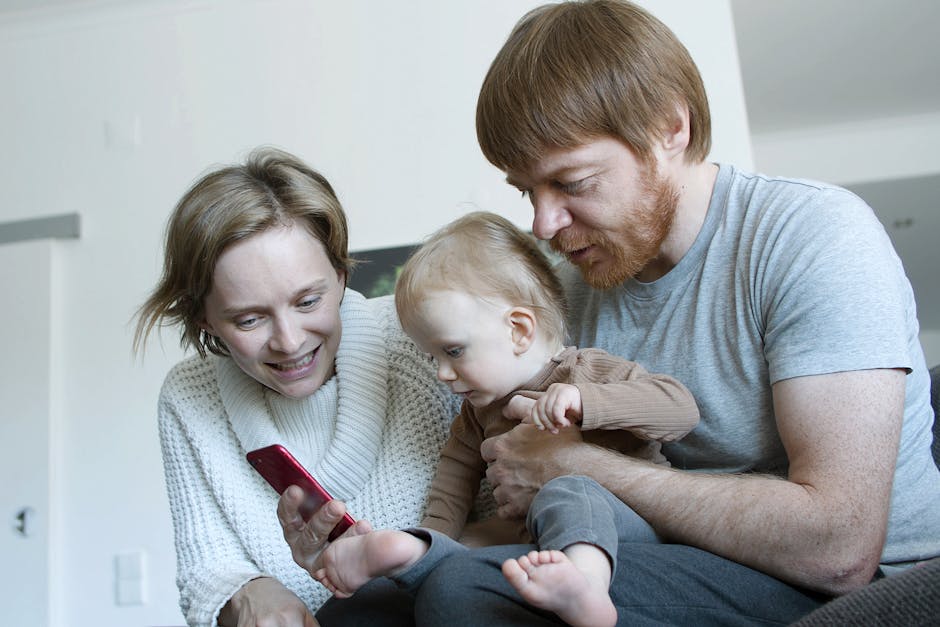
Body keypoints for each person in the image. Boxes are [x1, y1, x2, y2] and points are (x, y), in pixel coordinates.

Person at [296, 1, 940, 625]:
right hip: (662, 555)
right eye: (528, 191)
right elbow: (464, 377)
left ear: (669, 128)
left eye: (572, 184)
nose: (544, 223)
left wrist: (578, 465)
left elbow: (838, 547)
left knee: (472, 594)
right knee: (368, 607)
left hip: (857, 591)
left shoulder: (812, 237)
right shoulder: (567, 282)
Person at [307, 211, 699, 627]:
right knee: (471, 539)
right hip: (533, 539)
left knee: (570, 492)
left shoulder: (584, 372)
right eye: (432, 357)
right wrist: (438, 533)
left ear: (518, 330)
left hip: (634, 533)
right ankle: (410, 554)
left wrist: (586, 402)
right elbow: (452, 481)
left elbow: (680, 409)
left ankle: (586, 584)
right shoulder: (477, 413)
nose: (441, 373)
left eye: (453, 351)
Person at [134, 146, 462, 627]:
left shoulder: (420, 340)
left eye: (308, 301)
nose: (289, 342)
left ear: (342, 273)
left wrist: (395, 560)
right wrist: (249, 593)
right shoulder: (190, 395)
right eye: (248, 319)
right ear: (203, 319)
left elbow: (515, 524)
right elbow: (208, 570)